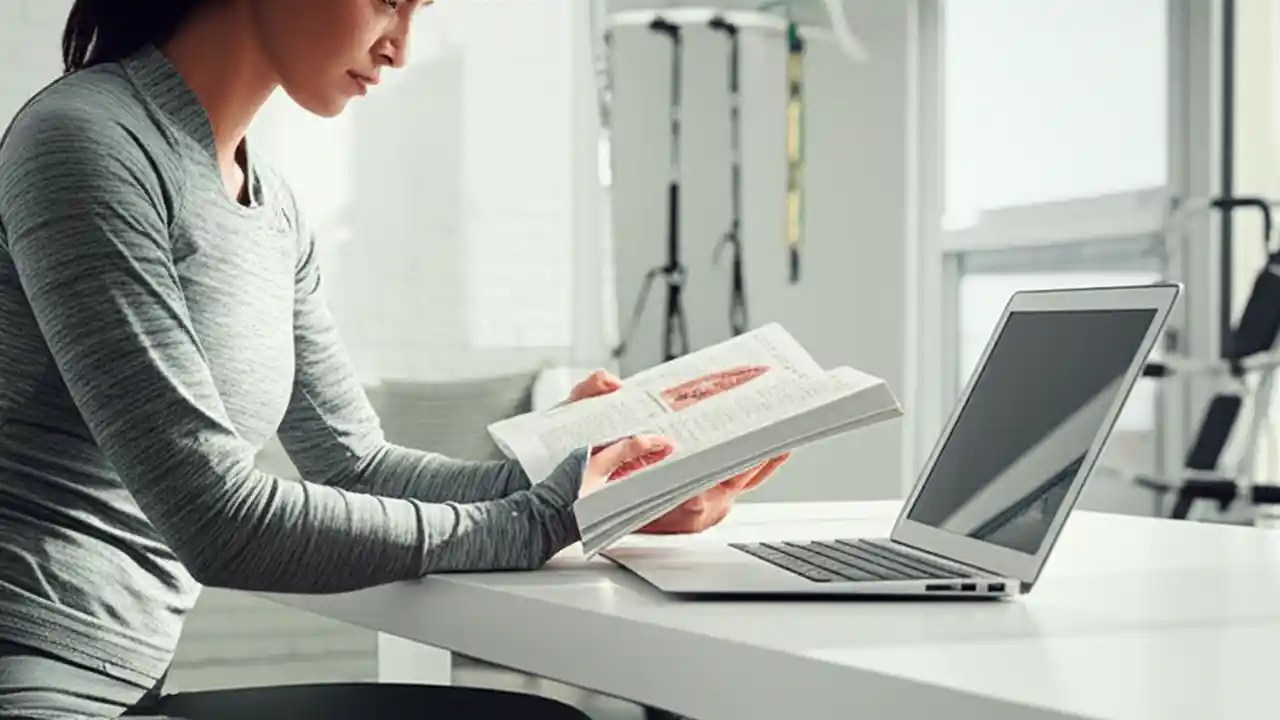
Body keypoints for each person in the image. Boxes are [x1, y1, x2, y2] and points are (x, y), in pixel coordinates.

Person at [0, 1, 790, 717]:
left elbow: (355, 465)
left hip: (128, 685)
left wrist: (597, 479)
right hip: (36, 676)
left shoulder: (271, 205)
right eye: (387, 0)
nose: (400, 48)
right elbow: (213, 518)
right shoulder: (85, 140)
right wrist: (538, 519)